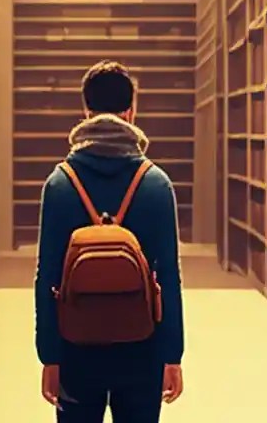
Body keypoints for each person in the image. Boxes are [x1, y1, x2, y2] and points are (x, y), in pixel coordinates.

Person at [34, 60, 185, 422]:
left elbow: (47, 276)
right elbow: (169, 277)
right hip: (142, 347)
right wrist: (172, 356)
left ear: (85, 112)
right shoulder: (155, 183)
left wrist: (50, 357)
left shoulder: (59, 183)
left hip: (76, 347)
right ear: (131, 112)